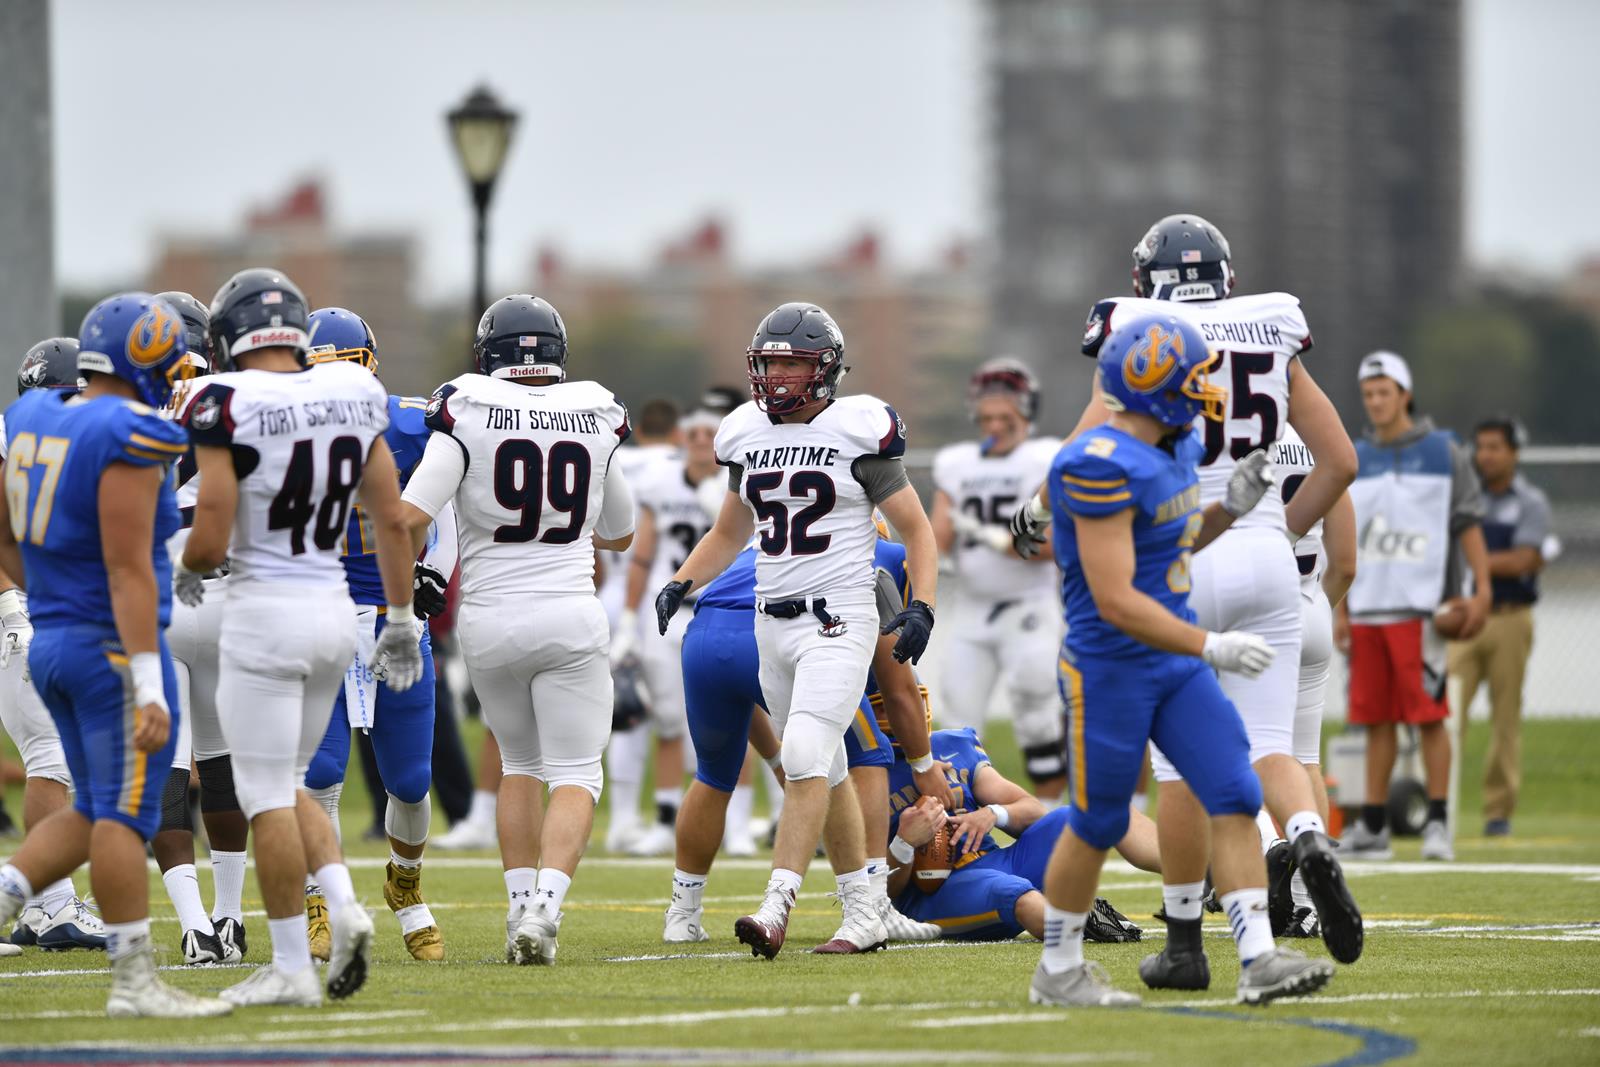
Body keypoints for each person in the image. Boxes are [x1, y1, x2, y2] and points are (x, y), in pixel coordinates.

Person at [1028, 214, 1363, 969]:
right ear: (1225, 277)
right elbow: (1338, 459)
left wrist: (1031, 512)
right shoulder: (1269, 324)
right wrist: (1278, 528)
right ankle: (1305, 833)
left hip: (1176, 565)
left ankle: (1182, 938)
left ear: (1147, 284)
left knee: (1175, 772)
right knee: (1271, 748)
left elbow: (1086, 451)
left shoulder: (1137, 335)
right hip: (1270, 558)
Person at [656, 302, 939, 960]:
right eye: (770, 362)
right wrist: (683, 581)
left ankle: (776, 902)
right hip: (769, 623)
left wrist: (921, 603)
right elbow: (731, 530)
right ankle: (867, 909)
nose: (778, 375)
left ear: (825, 369)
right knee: (831, 769)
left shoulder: (858, 430)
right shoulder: (744, 433)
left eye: (792, 362)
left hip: (838, 615)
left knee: (804, 752)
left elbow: (918, 529)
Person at [178, 268, 424, 1006]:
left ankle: (291, 964)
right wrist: (406, 619)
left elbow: (213, 522)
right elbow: (390, 519)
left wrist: (188, 566)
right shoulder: (352, 395)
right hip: (334, 613)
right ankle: (344, 904)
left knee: (267, 796)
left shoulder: (221, 399)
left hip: (264, 614)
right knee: (292, 788)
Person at [0, 292, 231, 1017]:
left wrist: (49, 593)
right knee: (124, 818)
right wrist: (150, 681)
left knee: (93, 806)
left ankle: (6, 891)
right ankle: (136, 982)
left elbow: (5, 532)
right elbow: (134, 569)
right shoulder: (128, 431)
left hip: (55, 637)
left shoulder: (33, 416)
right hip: (108, 646)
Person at [398, 294, 635, 968]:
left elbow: (416, 511)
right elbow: (620, 531)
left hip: (490, 621)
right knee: (576, 773)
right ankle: (545, 909)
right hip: (566, 610)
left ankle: (517, 906)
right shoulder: (593, 410)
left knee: (518, 764)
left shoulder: (467, 406)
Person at [661, 529, 949, 945]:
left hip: (704, 636)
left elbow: (752, 698)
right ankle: (873, 904)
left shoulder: (767, 537)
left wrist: (778, 760)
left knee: (713, 776)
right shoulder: (878, 551)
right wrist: (923, 766)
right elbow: (897, 683)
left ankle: (682, 914)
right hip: (779, 631)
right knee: (869, 754)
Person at [295, 307, 458, 963]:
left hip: (394, 616)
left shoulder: (413, 426)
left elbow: (443, 509)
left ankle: (406, 887)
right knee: (322, 771)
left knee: (412, 780)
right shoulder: (284, 425)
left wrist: (430, 579)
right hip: (319, 614)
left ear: (372, 367)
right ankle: (322, 899)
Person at [1337, 351, 1490, 861]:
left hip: (1423, 611)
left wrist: (1482, 592)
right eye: (1368, 394)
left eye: (1385, 392)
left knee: (1428, 717)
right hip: (1366, 609)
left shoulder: (1445, 451)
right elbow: (1342, 537)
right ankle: (1374, 827)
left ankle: (1439, 825)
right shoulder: (1353, 456)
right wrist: (1338, 607)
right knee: (1374, 720)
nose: (1376, 402)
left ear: (1405, 394)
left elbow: (1466, 523)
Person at [147, 290, 245, 966]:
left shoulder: (124, 407)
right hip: (235, 594)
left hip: (162, 595)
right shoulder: (244, 397)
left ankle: (192, 927)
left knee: (166, 767)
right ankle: (232, 916)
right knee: (224, 767)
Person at [1, 337, 106, 953]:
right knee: (51, 757)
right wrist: (11, 603)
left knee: (58, 757)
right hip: (18, 618)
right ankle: (53, 906)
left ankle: (43, 906)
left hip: (44, 616)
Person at [929, 359, 1067, 800]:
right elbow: (935, 539)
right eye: (987, 417)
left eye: (1005, 418)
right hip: (973, 607)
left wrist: (999, 538)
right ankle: (956, 820)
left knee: (1037, 711)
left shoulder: (1045, 457)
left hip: (1030, 602)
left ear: (1026, 415)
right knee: (956, 718)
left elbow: (1061, 545)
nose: (995, 426)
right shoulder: (957, 463)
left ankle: (1047, 815)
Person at [886, 727, 1153, 941]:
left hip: (999, 861)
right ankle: (1077, 918)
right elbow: (879, 891)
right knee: (1012, 892)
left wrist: (993, 813)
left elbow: (1035, 811)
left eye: (914, 699)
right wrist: (904, 842)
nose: (907, 711)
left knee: (1092, 813)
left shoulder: (950, 746)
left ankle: (1186, 873)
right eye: (887, 707)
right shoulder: (869, 776)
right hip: (937, 896)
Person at [613, 406, 721, 855]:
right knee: (669, 721)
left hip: (717, 612)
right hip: (668, 613)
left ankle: (731, 823)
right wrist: (627, 620)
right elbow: (642, 557)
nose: (699, 440)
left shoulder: (740, 485)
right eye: (692, 432)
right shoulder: (659, 485)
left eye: (707, 434)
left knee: (729, 722)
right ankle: (665, 817)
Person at [1268, 425, 1357, 937]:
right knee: (1305, 758)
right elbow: (1344, 562)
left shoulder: (1230, 431)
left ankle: (1260, 861)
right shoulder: (1317, 439)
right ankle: (1308, 899)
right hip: (1311, 605)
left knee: (1238, 752)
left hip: (1255, 612)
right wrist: (1319, 609)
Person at [1447, 416, 1549, 838]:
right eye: (1481, 447)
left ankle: (1498, 812)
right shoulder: (1461, 497)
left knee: (1506, 719)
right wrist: (1489, 560)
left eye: (1495, 447)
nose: (1485, 455)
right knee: (1446, 712)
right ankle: (1440, 804)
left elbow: (1525, 559)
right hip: (1463, 617)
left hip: (1509, 618)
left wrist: (1474, 558)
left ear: (1513, 453)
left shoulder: (1529, 502)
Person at [600, 398, 682, 853]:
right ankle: (704, 815)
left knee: (623, 714)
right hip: (655, 592)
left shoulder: (609, 455)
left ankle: (623, 818)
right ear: (676, 433)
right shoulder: (675, 466)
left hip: (611, 589)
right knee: (674, 716)